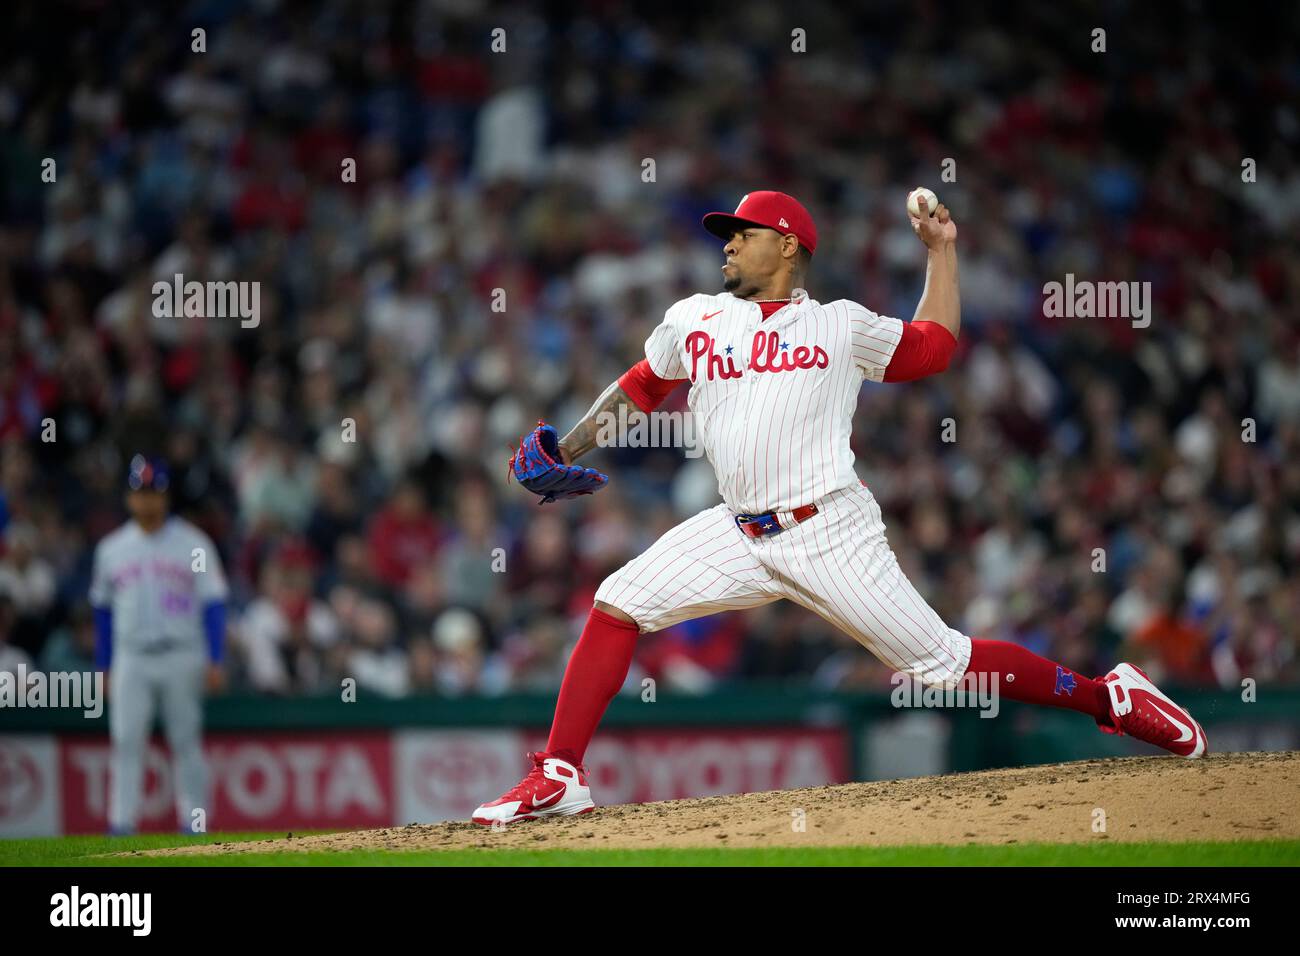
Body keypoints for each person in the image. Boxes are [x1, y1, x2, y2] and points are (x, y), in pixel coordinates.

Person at [473, 190, 1208, 826]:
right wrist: (570, 448)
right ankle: (561, 775)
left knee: (946, 664)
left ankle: (1107, 698)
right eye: (725, 233)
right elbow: (642, 386)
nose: (727, 243)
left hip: (828, 530)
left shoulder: (839, 325)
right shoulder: (695, 317)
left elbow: (935, 348)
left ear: (788, 245)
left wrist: (941, 253)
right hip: (736, 527)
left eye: (743, 232)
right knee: (616, 602)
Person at [90, 455, 229, 834]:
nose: (148, 501)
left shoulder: (193, 544)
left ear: (166, 496)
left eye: (154, 492)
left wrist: (216, 658)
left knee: (186, 740)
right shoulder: (111, 549)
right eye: (141, 492)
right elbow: (101, 611)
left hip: (182, 654)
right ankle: (121, 823)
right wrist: (103, 666)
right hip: (131, 656)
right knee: (126, 741)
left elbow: (214, 603)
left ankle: (195, 822)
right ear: (128, 497)